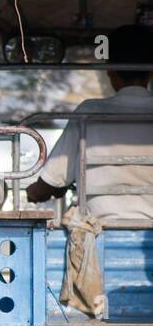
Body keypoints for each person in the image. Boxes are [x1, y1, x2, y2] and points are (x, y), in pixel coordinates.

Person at [26, 24, 153, 220]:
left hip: (97, 230)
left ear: (110, 68)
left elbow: (50, 182)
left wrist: (33, 192)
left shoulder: (89, 112)